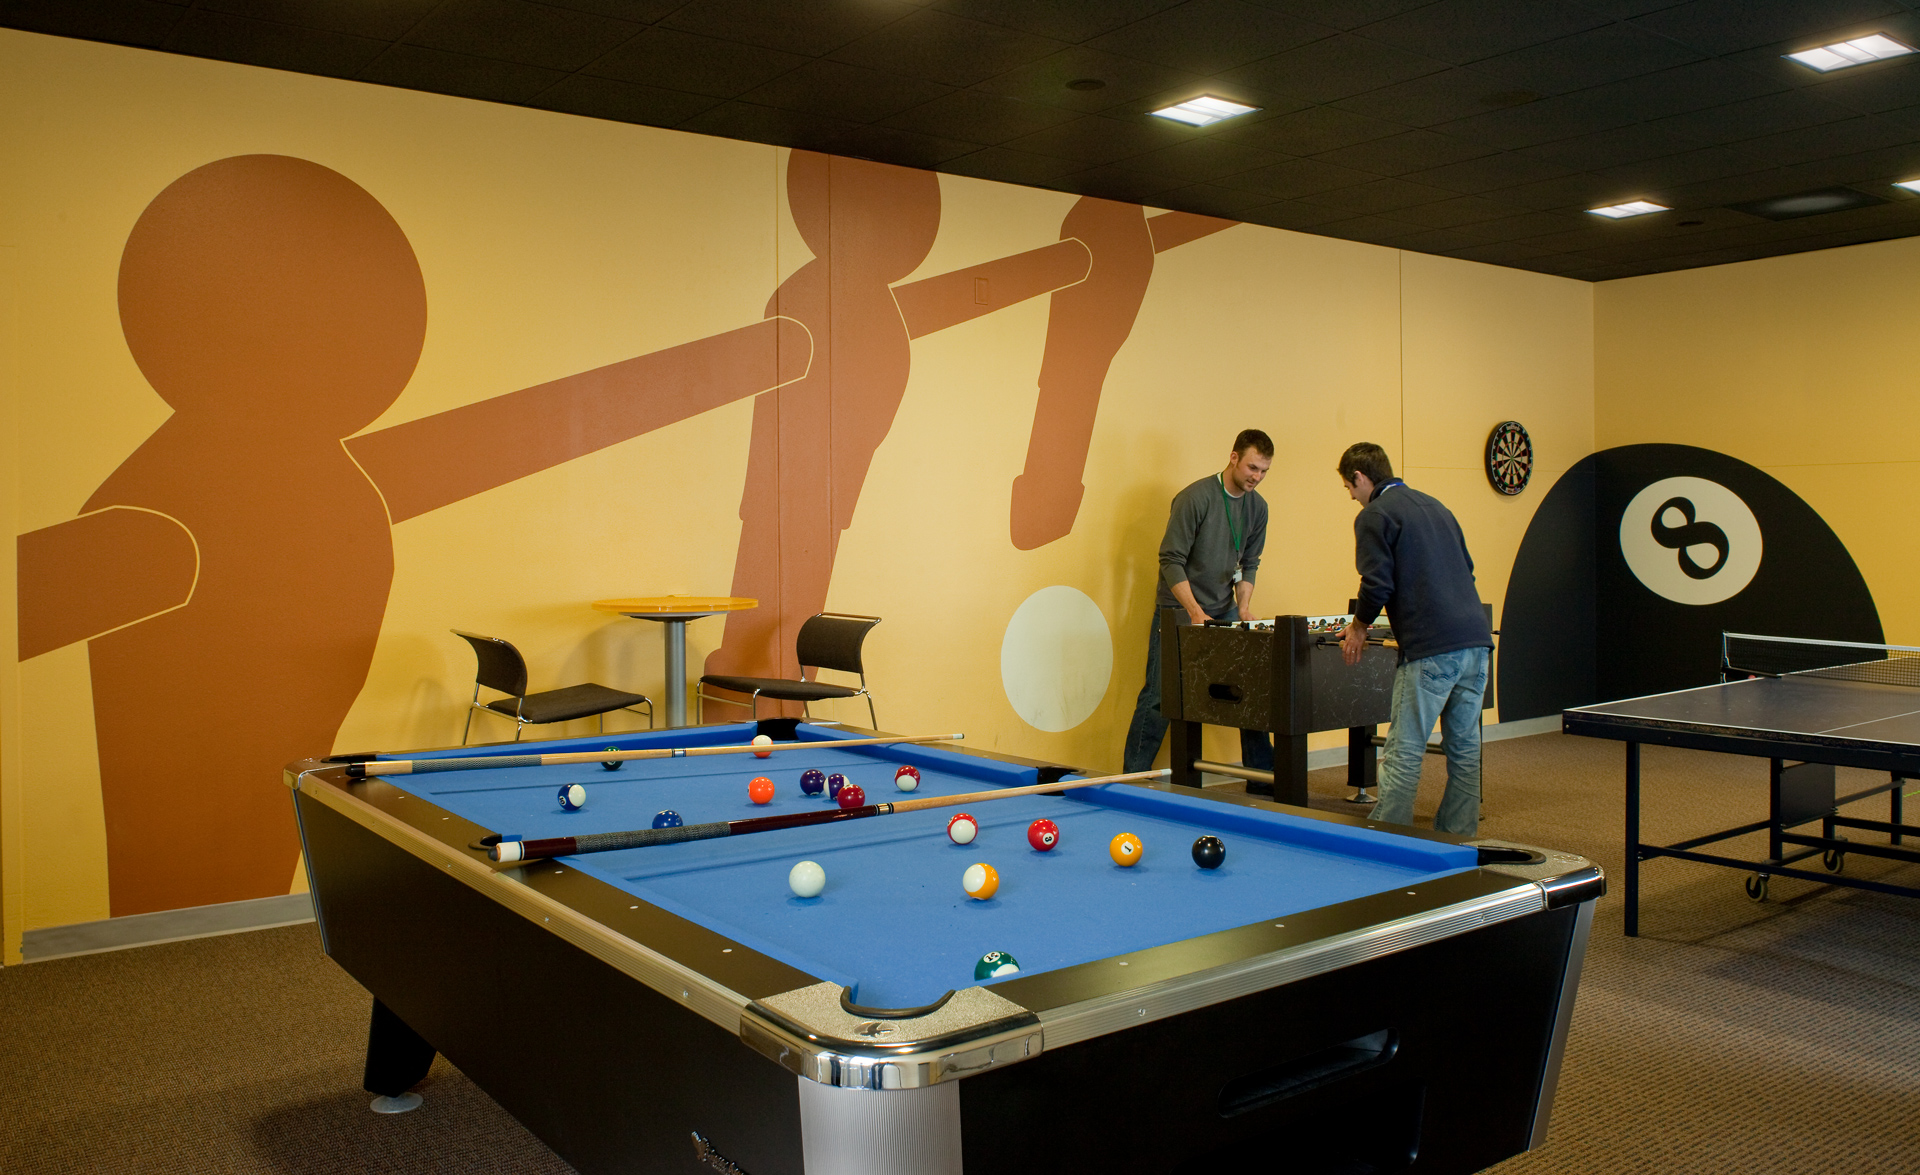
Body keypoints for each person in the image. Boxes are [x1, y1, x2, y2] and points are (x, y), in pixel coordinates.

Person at [1337, 442, 1493, 836]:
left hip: (1430, 650)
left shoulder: (1375, 514)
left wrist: (1358, 625)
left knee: (1404, 751)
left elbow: (1377, 583)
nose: (1352, 498)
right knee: (1465, 751)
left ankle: (1390, 844)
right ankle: (1457, 840)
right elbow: (1466, 570)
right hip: (1477, 644)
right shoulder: (1438, 507)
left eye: (1349, 488)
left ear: (1360, 477)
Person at [1123, 430, 1276, 775]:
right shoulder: (1195, 498)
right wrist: (1194, 612)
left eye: (1264, 471)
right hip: (1178, 611)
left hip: (1225, 610)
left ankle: (1263, 780)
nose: (1257, 477)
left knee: (1247, 689)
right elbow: (1170, 560)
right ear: (1234, 457)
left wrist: (1245, 606)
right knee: (1159, 696)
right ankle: (1130, 778)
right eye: (1252, 467)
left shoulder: (1259, 508)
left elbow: (1249, 562)